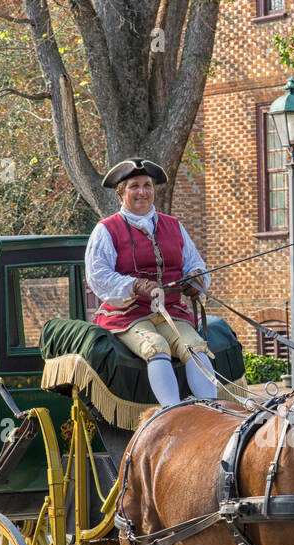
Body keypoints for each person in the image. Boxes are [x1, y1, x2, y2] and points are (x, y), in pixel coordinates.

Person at [83, 156, 214, 406]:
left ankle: (212, 410)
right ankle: (172, 412)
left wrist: (194, 281)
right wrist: (135, 286)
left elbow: (195, 264)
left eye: (147, 186)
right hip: (128, 315)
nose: (142, 192)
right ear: (121, 193)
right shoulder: (106, 230)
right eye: (135, 186)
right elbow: (98, 275)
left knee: (195, 346)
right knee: (156, 346)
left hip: (172, 313)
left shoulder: (174, 225)